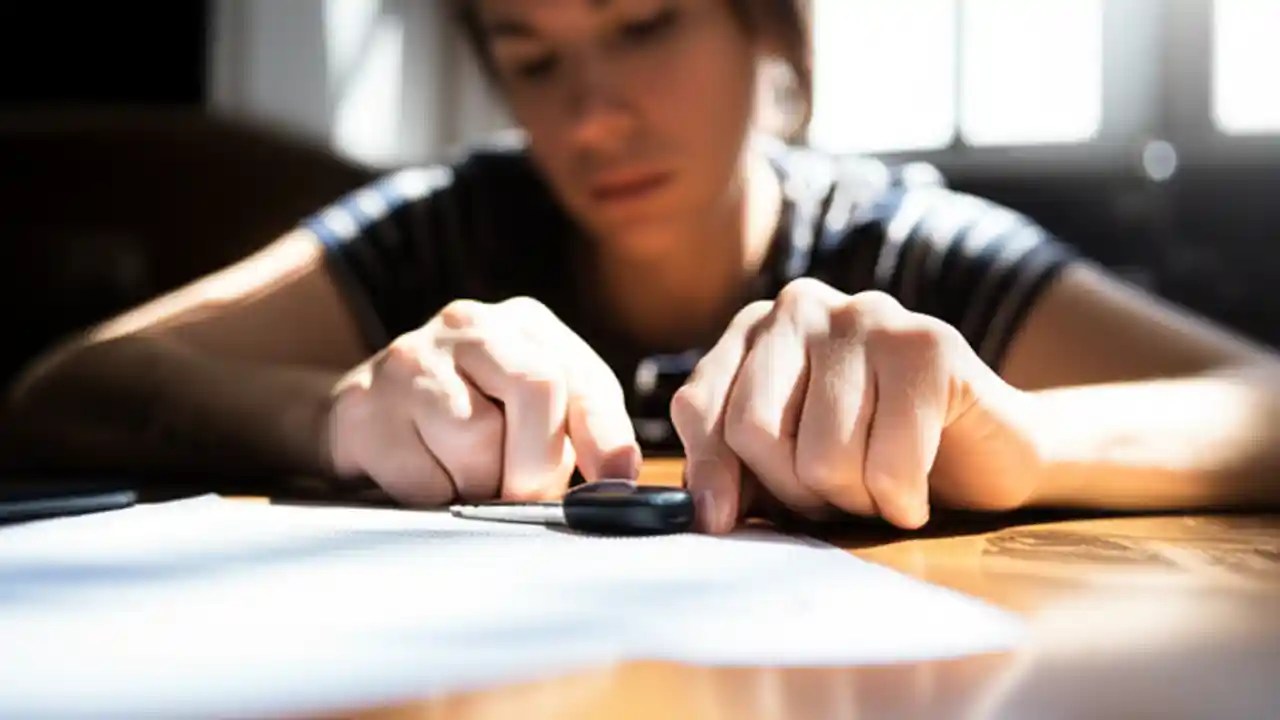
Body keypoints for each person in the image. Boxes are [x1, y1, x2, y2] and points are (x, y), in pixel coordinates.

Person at [3, 0, 1278, 534]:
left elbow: (1256, 397)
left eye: (645, 22)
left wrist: (1021, 443)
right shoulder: (450, 227)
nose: (593, 114)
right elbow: (66, 386)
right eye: (532, 55)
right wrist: (330, 410)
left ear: (763, 29)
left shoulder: (892, 243)